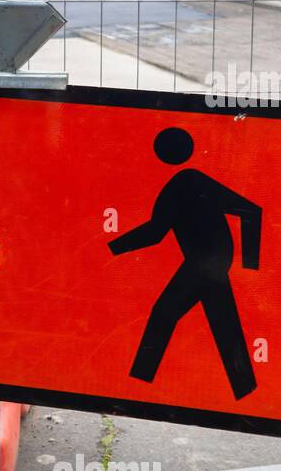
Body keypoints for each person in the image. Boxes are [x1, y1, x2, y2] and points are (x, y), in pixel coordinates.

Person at [109, 127, 262, 400]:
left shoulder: (187, 181)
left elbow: (251, 211)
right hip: (208, 262)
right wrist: (113, 247)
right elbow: (156, 232)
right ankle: (245, 389)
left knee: (164, 314)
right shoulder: (181, 184)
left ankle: (138, 384)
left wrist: (250, 267)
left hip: (206, 262)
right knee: (223, 323)